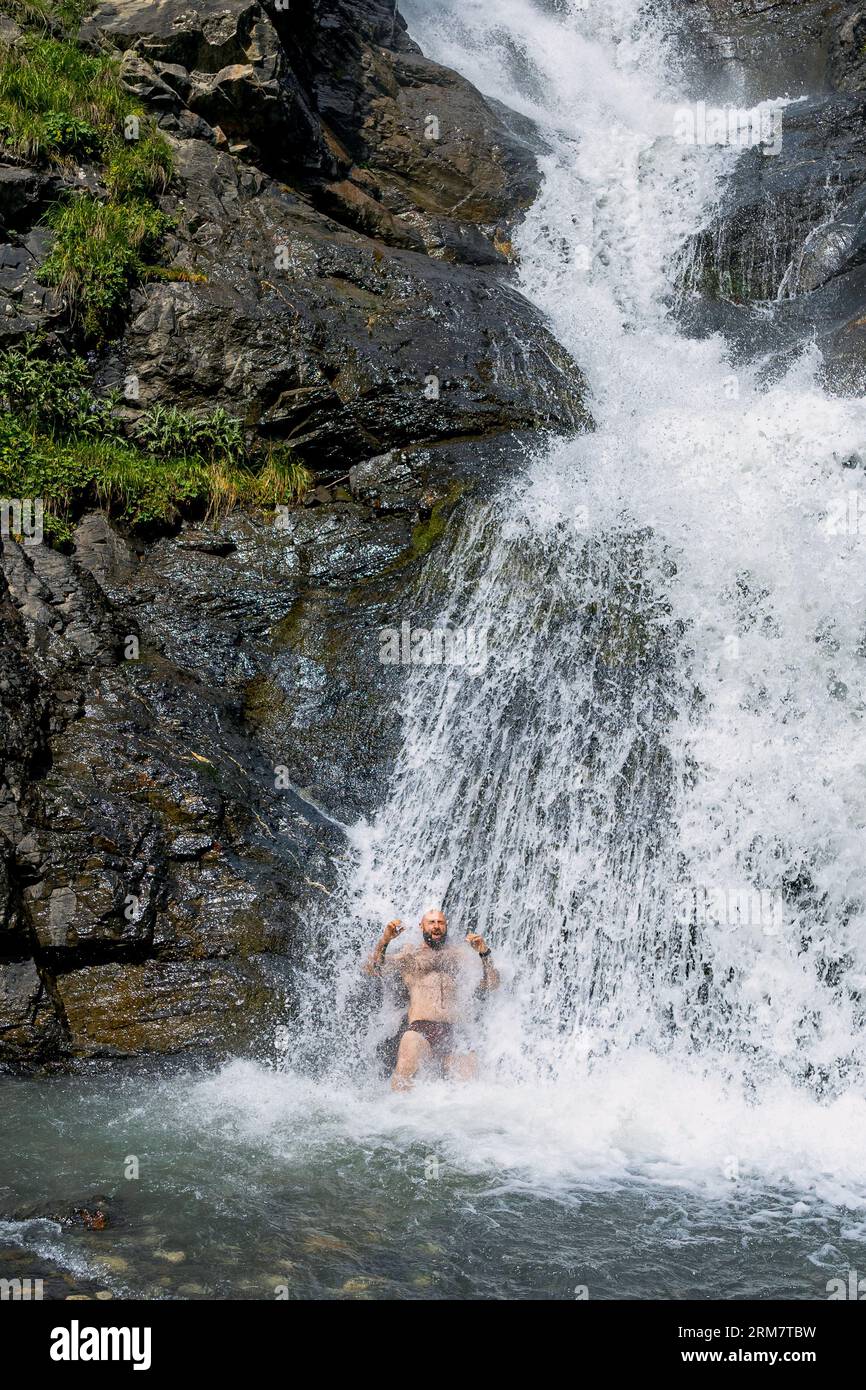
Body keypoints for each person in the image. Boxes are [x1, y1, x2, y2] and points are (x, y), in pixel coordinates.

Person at [363, 908, 500, 1091]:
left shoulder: (460, 955)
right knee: (405, 1068)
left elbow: (492, 983)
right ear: (422, 926)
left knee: (470, 1089)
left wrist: (484, 954)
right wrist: (385, 941)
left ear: (446, 926)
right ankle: (397, 1113)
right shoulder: (409, 956)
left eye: (440, 923)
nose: (436, 927)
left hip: (455, 1032)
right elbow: (374, 969)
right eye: (431, 922)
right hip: (421, 1030)